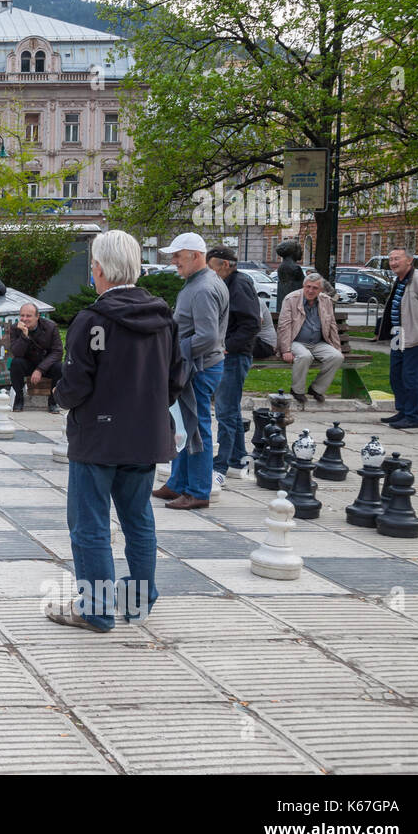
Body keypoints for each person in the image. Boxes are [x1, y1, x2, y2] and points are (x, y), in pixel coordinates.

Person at [49, 230, 182, 632]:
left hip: (98, 439)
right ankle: (139, 601)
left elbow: (74, 388)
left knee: (89, 525)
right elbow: (177, 378)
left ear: (101, 269)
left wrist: (58, 392)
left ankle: (96, 608)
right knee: (138, 519)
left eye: (92, 264)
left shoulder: (91, 320)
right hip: (145, 435)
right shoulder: (164, 319)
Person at [154, 231, 227, 510]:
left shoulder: (203, 288)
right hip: (200, 365)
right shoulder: (202, 282)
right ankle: (178, 483)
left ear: (195, 256)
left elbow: (207, 337)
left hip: (199, 367)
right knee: (184, 425)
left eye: (177, 255)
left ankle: (197, 491)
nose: (173, 261)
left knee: (196, 429)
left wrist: (175, 352)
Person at [206, 245, 259, 489]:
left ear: (226, 264)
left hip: (235, 356)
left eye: (213, 266)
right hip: (228, 354)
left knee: (226, 411)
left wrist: (227, 346)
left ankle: (220, 466)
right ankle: (238, 459)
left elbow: (250, 324)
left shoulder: (239, 285)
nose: (210, 272)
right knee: (231, 410)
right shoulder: (227, 283)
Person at [376, 247, 418, 430]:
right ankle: (402, 410)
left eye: (397, 258)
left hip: (414, 336)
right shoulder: (400, 280)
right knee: (395, 375)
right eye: (390, 259)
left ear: (409, 260)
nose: (393, 262)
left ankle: (413, 416)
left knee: (410, 377)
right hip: (398, 334)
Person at [277, 273, 343, 408]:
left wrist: (337, 347)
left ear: (321, 290)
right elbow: (284, 325)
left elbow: (332, 325)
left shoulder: (326, 301)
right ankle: (297, 390)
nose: (311, 291)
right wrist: (286, 350)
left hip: (318, 342)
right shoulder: (291, 299)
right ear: (303, 286)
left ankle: (316, 389)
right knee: (305, 356)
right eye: (308, 287)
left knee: (337, 357)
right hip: (296, 341)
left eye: (315, 288)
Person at [5, 301, 62, 412]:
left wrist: (40, 369)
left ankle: (53, 401)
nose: (24, 319)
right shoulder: (15, 328)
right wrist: (24, 335)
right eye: (22, 315)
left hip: (46, 364)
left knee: (60, 367)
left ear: (37, 317)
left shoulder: (51, 327)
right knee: (16, 363)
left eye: (28, 316)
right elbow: (17, 353)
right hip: (28, 363)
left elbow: (57, 352)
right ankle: (19, 398)